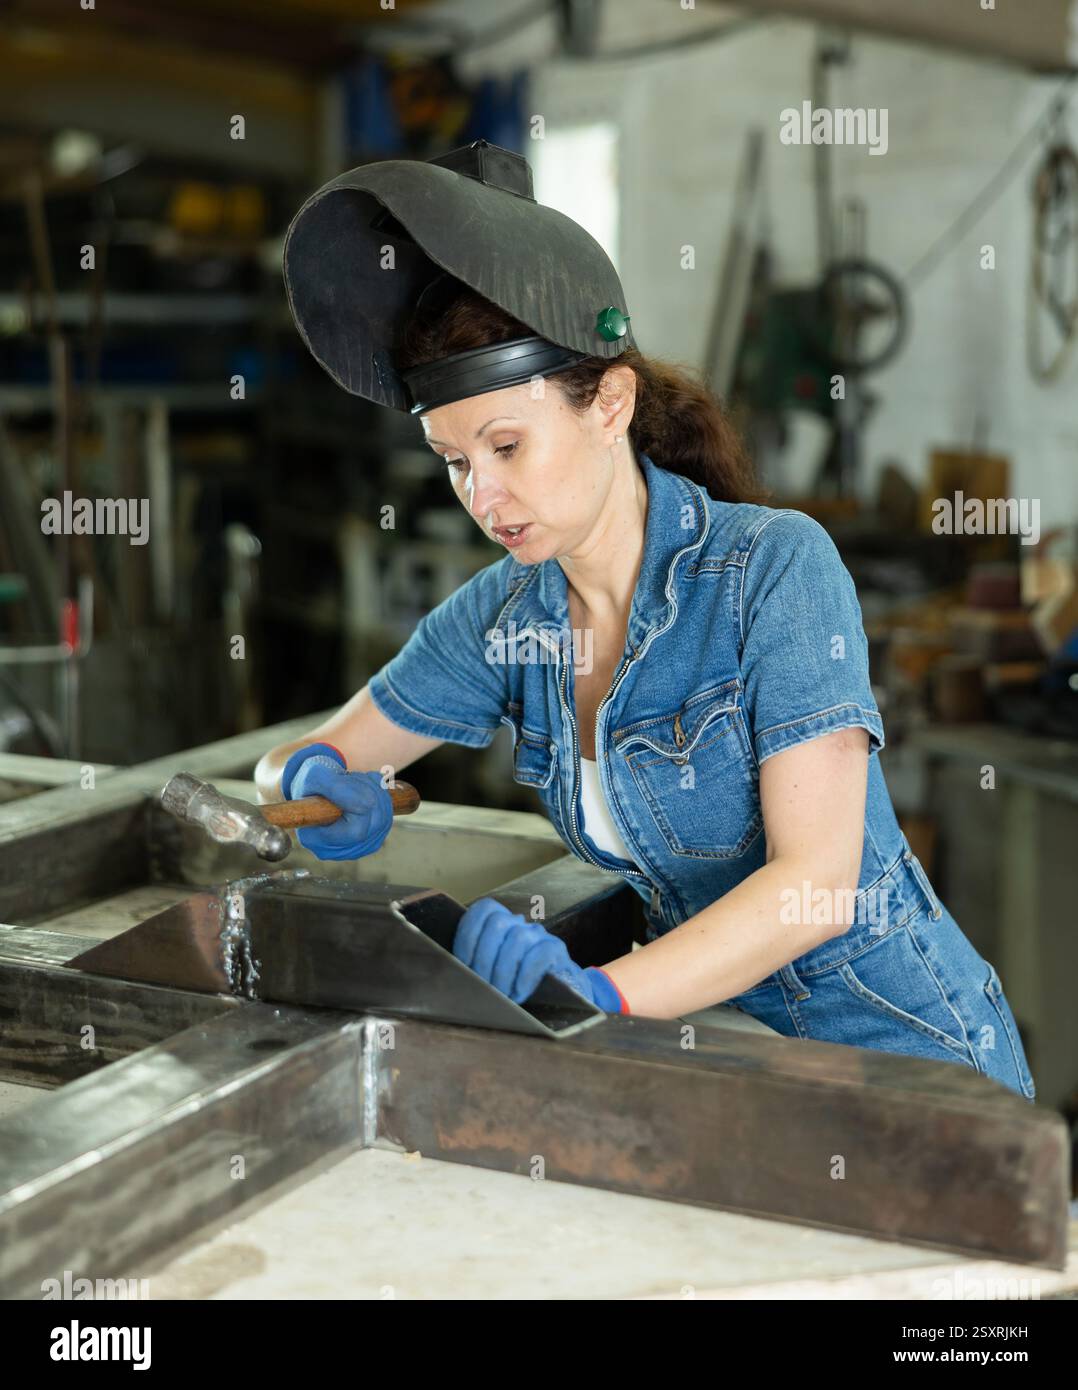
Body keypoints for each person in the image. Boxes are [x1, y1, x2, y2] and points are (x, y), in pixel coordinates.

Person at [255, 140, 1036, 1102]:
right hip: (730, 1057)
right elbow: (293, 764)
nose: (481, 495)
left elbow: (816, 885)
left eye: (505, 445)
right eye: (453, 461)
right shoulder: (505, 616)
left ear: (609, 403)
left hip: (909, 1061)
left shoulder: (775, 570)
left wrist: (593, 995)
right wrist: (319, 777)